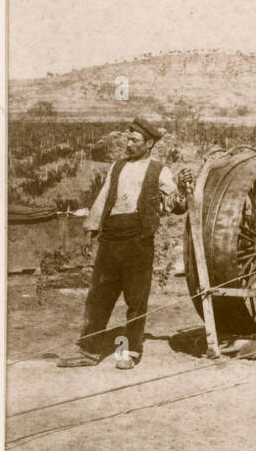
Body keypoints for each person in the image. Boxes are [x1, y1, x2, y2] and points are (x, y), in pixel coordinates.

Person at [58, 115, 192, 369]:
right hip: (110, 239)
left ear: (149, 143)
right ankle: (88, 350)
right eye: (128, 140)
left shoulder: (159, 170)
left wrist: (182, 191)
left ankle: (131, 352)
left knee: (136, 298)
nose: (128, 144)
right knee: (99, 296)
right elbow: (103, 197)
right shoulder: (117, 166)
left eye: (134, 140)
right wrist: (91, 230)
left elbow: (176, 205)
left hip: (138, 242)